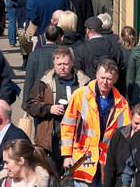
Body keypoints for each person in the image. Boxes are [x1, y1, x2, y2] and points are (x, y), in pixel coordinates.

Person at [60, 59, 131, 187]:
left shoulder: (121, 104)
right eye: (102, 77)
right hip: (83, 155)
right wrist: (66, 155)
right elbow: (68, 125)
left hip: (108, 160)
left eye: (109, 78)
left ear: (115, 79)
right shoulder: (81, 95)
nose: (105, 82)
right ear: (96, 75)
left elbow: (125, 134)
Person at [23, 46, 90, 175]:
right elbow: (30, 105)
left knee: (77, 179)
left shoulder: (83, 82)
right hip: (52, 140)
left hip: (77, 140)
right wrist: (49, 108)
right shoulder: (45, 82)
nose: (62, 67)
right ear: (54, 63)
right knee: (51, 179)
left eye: (65, 64)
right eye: (59, 64)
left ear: (72, 63)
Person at [102, 101, 140, 187]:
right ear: (131, 119)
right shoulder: (119, 134)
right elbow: (110, 165)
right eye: (136, 123)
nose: (139, 127)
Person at [74, 15, 128, 88]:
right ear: (101, 30)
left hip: (89, 91)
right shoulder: (114, 47)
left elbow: (78, 72)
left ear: (87, 31)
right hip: (110, 89)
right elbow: (121, 67)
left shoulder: (80, 49)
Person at [22, 24, 64, 91]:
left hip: (39, 92)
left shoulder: (34, 55)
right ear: (59, 36)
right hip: (57, 91)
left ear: (44, 36)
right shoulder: (63, 54)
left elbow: (29, 80)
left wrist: (26, 100)